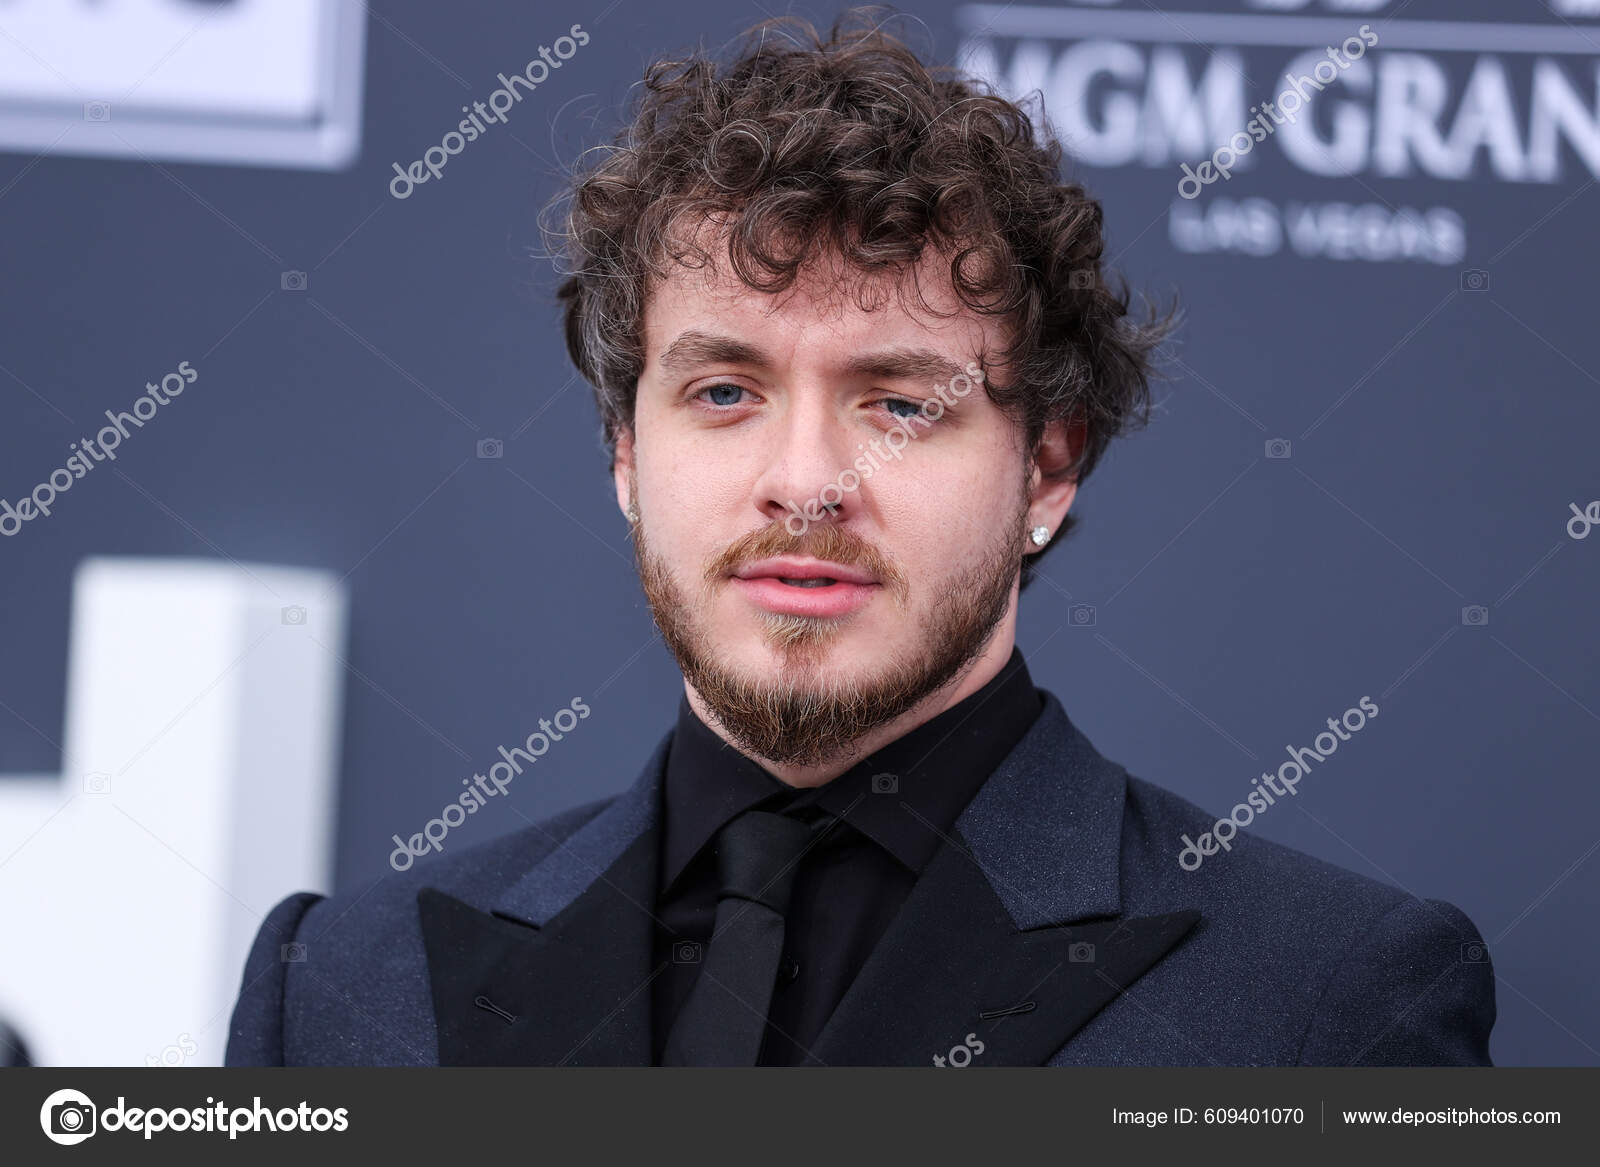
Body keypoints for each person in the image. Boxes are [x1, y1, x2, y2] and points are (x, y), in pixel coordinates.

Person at [226, 11, 1494, 1067]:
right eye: (723, 393)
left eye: (900, 403)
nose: (806, 484)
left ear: (1046, 464)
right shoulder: (342, 984)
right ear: (624, 452)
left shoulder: (1327, 1003)